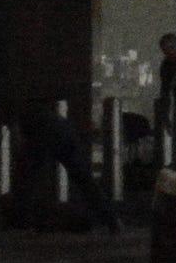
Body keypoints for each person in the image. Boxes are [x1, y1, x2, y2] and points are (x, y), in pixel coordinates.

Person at [13, 99, 118, 234]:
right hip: (62, 132)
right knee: (83, 179)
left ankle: (29, 220)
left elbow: (23, 146)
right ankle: (111, 219)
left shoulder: (22, 119)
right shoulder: (34, 115)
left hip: (47, 134)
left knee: (31, 179)